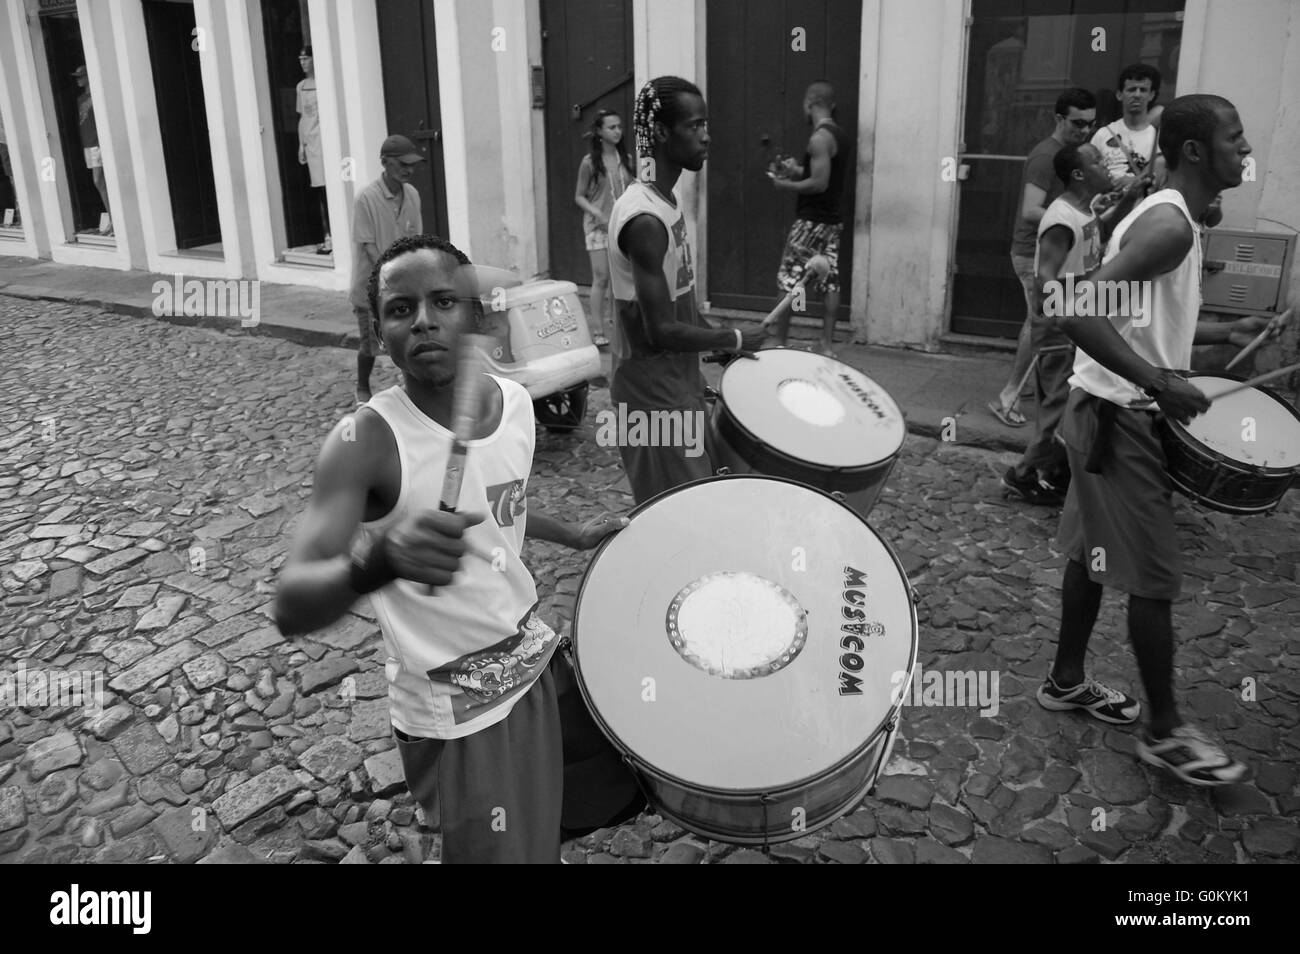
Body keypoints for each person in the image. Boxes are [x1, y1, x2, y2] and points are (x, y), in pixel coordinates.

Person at [274, 234, 629, 863]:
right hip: (457, 711)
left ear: (474, 315)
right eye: (400, 308)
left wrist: (572, 535)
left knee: (564, 818)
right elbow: (290, 605)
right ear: (379, 329)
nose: (425, 321)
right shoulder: (364, 441)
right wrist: (378, 562)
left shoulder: (516, 404)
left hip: (532, 661)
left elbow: (500, 506)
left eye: (443, 301)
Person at [1042, 94, 1277, 786]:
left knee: (1089, 557)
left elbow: (1139, 316)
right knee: (1155, 577)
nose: (1246, 150)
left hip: (1098, 409)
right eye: (1235, 139)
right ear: (1198, 152)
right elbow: (1073, 308)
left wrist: (1220, 335)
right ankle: (1166, 732)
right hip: (1118, 420)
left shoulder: (1175, 222)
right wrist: (1160, 383)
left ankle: (1065, 678)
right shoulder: (1170, 226)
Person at [607, 76, 766, 504]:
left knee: (704, 505)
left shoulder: (666, 202)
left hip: (677, 384)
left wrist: (717, 340)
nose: (706, 136)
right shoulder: (645, 220)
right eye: (695, 126)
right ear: (661, 132)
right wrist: (731, 336)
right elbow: (659, 329)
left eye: (705, 124)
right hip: (651, 396)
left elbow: (680, 306)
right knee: (677, 520)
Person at [1001, 143, 1145, 505]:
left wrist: (1129, 197)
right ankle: (1023, 474)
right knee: (1057, 409)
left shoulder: (1084, 211)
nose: (1104, 163)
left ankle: (1052, 472)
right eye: (1096, 160)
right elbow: (1046, 275)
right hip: (1059, 326)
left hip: (1077, 319)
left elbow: (1100, 231)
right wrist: (1066, 315)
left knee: (1067, 404)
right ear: (1079, 174)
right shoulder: (1061, 218)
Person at [989, 88, 1096, 428]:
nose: (1084, 131)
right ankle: (1009, 395)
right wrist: (1074, 216)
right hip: (1030, 253)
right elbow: (1030, 210)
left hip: (1055, 253)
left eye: (1090, 124)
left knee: (1043, 324)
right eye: (1078, 123)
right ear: (1059, 119)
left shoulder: (1072, 155)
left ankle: (1032, 387)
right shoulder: (1045, 156)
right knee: (1037, 324)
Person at [766, 80, 851, 356]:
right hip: (832, 222)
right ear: (832, 105)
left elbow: (819, 184)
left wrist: (784, 185)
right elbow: (821, 172)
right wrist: (796, 170)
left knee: (789, 279)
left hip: (810, 221)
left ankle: (779, 342)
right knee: (830, 280)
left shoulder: (818, 139)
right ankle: (826, 344)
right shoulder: (839, 135)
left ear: (809, 103)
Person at [350, 135, 424, 405]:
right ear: (384, 163)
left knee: (408, 338)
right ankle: (361, 387)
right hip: (370, 286)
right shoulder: (365, 199)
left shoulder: (413, 194)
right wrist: (389, 277)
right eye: (402, 164)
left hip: (403, 284)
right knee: (371, 344)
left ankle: (413, 390)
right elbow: (369, 247)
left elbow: (415, 239)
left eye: (412, 164)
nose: (409, 170)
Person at [574, 110, 633, 348]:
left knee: (621, 279)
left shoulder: (626, 158)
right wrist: (597, 213)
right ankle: (598, 330)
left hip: (622, 226)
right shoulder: (589, 163)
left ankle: (616, 325)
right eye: (611, 127)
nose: (617, 131)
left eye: (619, 126)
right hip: (597, 227)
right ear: (599, 132)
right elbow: (578, 196)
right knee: (601, 278)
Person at [1091, 64, 1162, 193]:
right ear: (1119, 95)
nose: (1137, 95)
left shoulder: (1159, 138)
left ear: (1151, 95)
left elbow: (1162, 180)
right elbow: (1089, 175)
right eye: (1131, 89)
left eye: (1143, 90)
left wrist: (1133, 181)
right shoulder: (1103, 134)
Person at [296, 46, 331, 254]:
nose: (303, 62)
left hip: (323, 140)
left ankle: (332, 236)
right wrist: (301, 144)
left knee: (327, 188)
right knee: (319, 189)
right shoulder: (301, 86)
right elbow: (302, 116)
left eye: (306, 58)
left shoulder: (323, 84)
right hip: (310, 143)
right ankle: (326, 235)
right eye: (300, 59)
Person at [73, 65, 111, 236]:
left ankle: (114, 221)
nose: (78, 79)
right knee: (100, 182)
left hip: (98, 143)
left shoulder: (96, 96)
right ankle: (113, 220)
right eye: (77, 77)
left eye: (81, 76)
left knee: (99, 181)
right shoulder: (81, 99)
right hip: (88, 144)